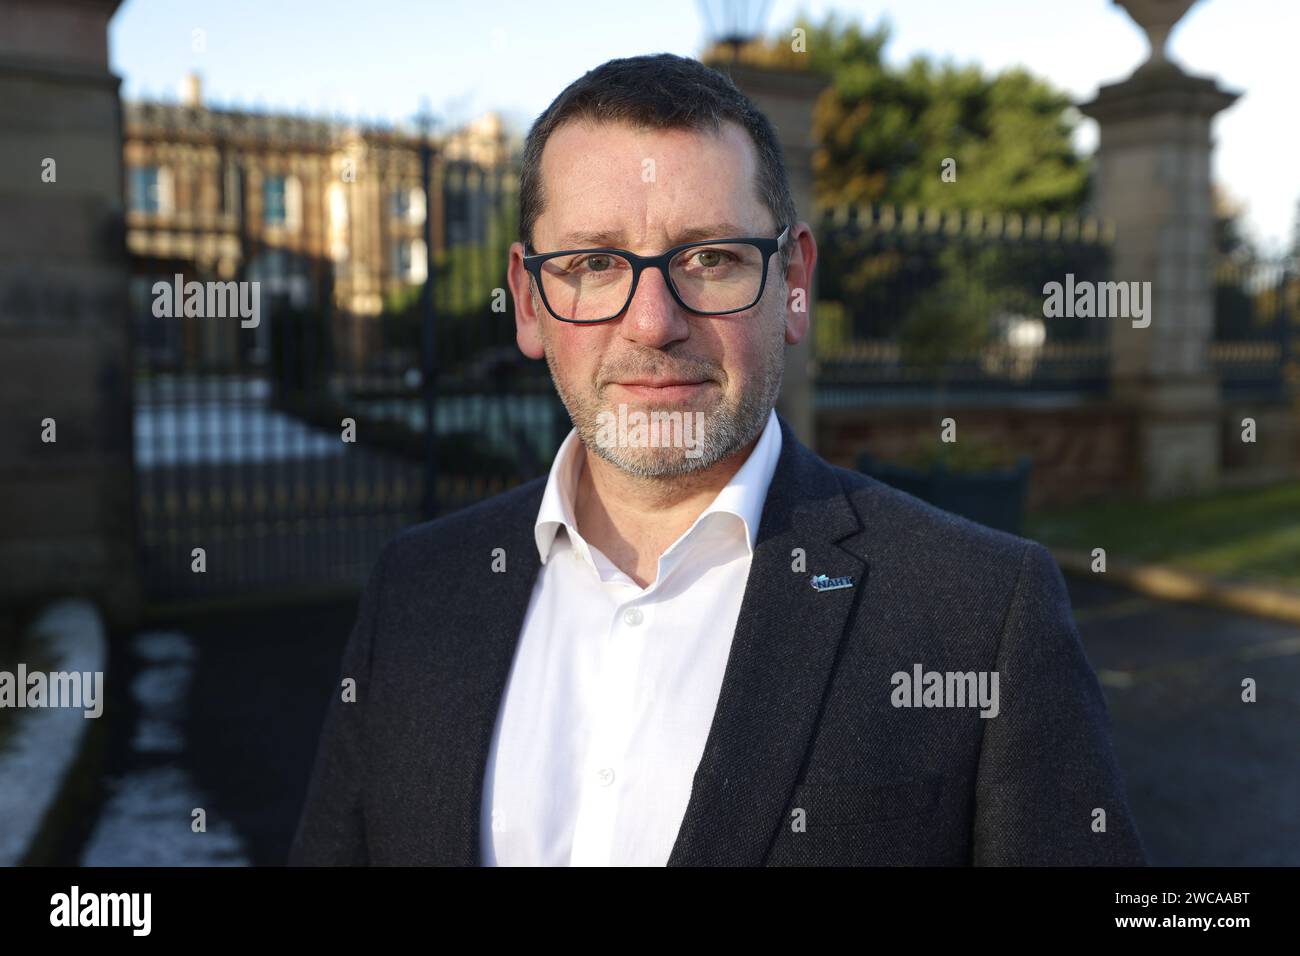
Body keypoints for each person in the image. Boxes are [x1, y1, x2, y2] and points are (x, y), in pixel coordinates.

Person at [288, 52, 1146, 867]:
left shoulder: (982, 612)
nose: (653, 321)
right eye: (593, 262)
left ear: (795, 283)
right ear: (527, 299)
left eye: (711, 258)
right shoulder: (416, 588)